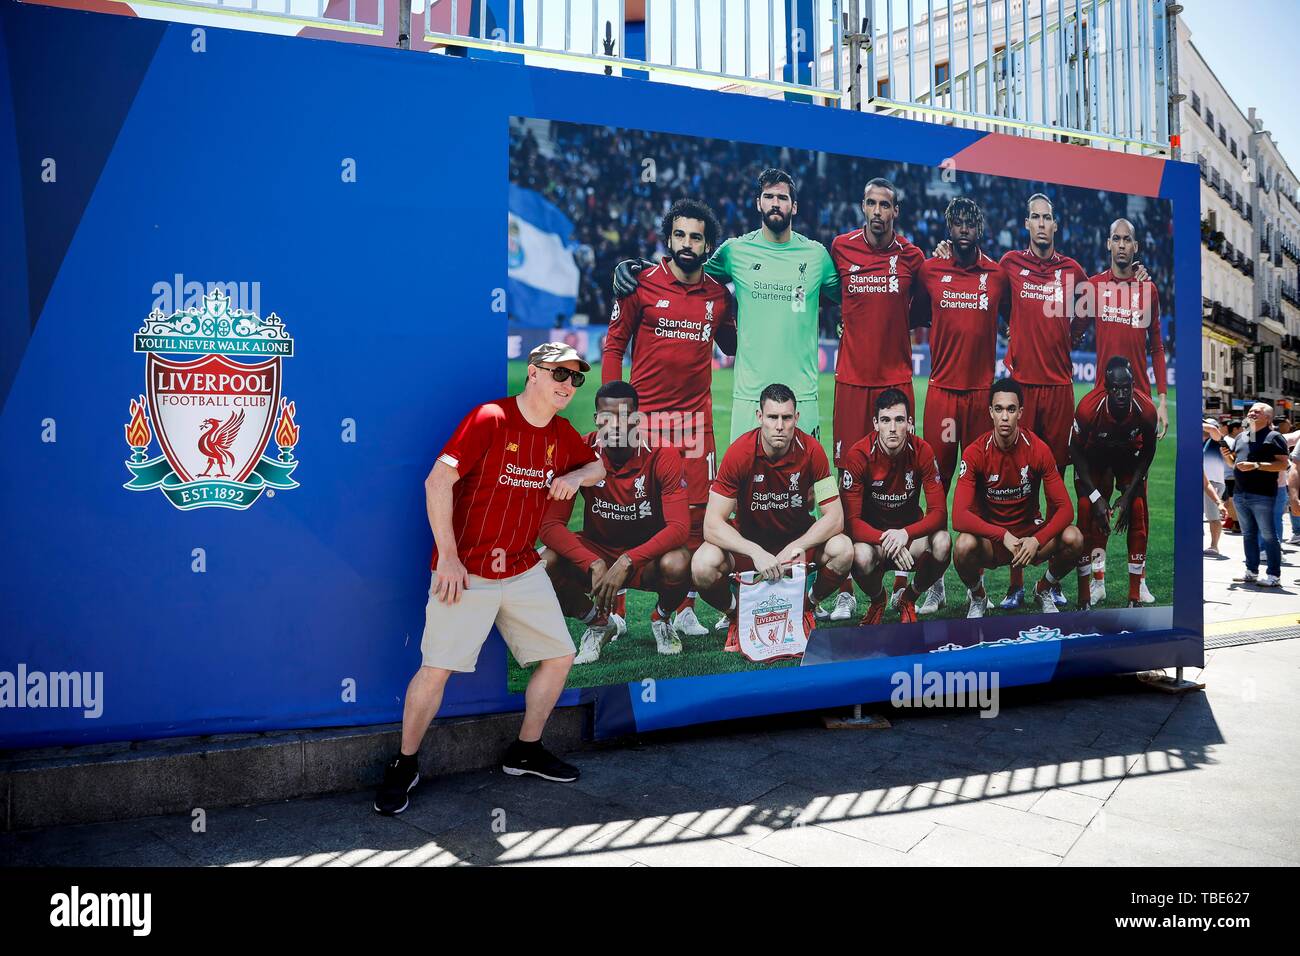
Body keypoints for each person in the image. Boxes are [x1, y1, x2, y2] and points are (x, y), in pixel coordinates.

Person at [374, 343, 606, 815]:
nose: (567, 385)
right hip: (468, 572)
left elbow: (599, 467)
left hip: (522, 568)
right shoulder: (490, 418)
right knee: (436, 669)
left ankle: (525, 750)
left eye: (575, 378)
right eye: (559, 374)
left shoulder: (562, 434)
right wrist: (449, 559)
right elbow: (437, 482)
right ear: (534, 374)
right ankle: (405, 763)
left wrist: (578, 477)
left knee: (560, 657)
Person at [613, 169, 839, 444]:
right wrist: (639, 268)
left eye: (782, 197)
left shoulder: (816, 255)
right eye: (768, 196)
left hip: (802, 393)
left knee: (806, 482)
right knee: (742, 483)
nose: (775, 203)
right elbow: (688, 268)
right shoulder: (735, 251)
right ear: (758, 203)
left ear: (795, 206)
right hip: (749, 395)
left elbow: (845, 297)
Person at [601, 198, 735, 639]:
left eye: (696, 237)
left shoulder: (718, 296)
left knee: (697, 519)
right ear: (669, 237)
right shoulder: (639, 285)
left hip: (695, 427)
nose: (687, 244)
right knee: (626, 514)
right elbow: (613, 346)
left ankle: (680, 611)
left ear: (708, 244)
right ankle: (613, 613)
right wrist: (613, 411)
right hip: (646, 425)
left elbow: (734, 344)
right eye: (680, 235)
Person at [824, 177, 927, 622]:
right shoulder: (839, 248)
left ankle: (907, 586)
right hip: (851, 383)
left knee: (905, 479)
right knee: (848, 480)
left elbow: (926, 306)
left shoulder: (914, 258)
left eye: (886, 204)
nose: (878, 211)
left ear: (896, 211)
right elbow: (828, 295)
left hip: (896, 382)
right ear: (862, 207)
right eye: (871, 203)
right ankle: (848, 587)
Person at [539, 381, 692, 664]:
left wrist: (627, 560)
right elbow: (549, 526)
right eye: (606, 417)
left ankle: (661, 618)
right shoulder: (579, 451)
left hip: (646, 557)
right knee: (542, 565)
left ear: (637, 419)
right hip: (598, 550)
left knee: (680, 562)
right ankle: (598, 623)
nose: (615, 425)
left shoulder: (662, 453)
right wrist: (593, 562)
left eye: (623, 416)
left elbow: (679, 528)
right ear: (596, 418)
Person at [691, 383, 853, 643]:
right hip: (749, 548)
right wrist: (755, 552)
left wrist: (796, 546)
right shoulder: (739, 453)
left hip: (796, 548)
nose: (779, 426)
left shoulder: (812, 451)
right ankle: (737, 615)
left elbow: (835, 517)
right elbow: (711, 524)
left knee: (843, 549)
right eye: (772, 417)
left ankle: (804, 608)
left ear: (796, 418)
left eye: (786, 418)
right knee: (702, 565)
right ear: (759, 417)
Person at [952, 378, 1084, 617]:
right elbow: (959, 517)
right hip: (994, 541)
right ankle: (979, 596)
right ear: (990, 411)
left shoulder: (1037, 449)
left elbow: (1066, 509)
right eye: (999, 409)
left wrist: (1037, 539)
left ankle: (1043, 588)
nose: (1005, 416)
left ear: (1020, 412)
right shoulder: (975, 452)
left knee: (1074, 538)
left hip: (1029, 538)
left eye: (1011, 409)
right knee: (962, 546)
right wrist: (1002, 535)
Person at [838, 388, 950, 624]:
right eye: (886, 420)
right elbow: (851, 523)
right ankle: (878, 600)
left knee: (942, 542)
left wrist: (905, 534)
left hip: (909, 539)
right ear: (875, 423)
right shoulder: (858, 455)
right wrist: (886, 539)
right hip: (874, 540)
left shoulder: (922, 451)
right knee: (858, 555)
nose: (892, 428)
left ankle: (908, 598)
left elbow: (939, 514)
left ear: (909, 423)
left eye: (899, 420)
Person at [1068, 358, 1158, 607]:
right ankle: (1089, 592)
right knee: (1088, 511)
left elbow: (1149, 452)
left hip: (1127, 458)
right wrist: (1097, 498)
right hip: (1093, 460)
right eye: (1116, 388)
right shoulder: (1088, 409)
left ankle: (1134, 593)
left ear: (1133, 385)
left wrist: (1128, 496)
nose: (1121, 394)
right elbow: (1074, 452)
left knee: (1138, 508)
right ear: (1106, 387)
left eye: (1126, 387)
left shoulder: (1146, 410)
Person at [1073, 219, 1169, 436]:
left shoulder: (1149, 290)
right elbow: (1073, 333)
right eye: (1117, 239)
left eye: (1127, 239)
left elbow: (1157, 347)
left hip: (1139, 398)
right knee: (1101, 468)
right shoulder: (1094, 286)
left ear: (1135, 246)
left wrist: (1162, 400)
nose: (1122, 244)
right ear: (1108, 244)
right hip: (1103, 397)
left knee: (1136, 470)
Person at [1221, 402, 1288, 587]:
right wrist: (1227, 456)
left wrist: (1256, 465)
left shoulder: (1274, 436)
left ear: (1268, 417)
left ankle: (1274, 575)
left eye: (1257, 412)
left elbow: (1283, 464)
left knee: (1268, 535)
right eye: (1250, 411)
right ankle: (1251, 571)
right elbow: (1233, 463)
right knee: (1248, 534)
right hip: (1240, 493)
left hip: (1263, 494)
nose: (1251, 413)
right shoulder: (1243, 436)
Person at [1202, 420, 1228, 557]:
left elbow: (1212, 429)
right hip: (1202, 482)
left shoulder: (1217, 441)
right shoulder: (1200, 442)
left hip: (1214, 482)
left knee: (1213, 516)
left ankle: (1214, 546)